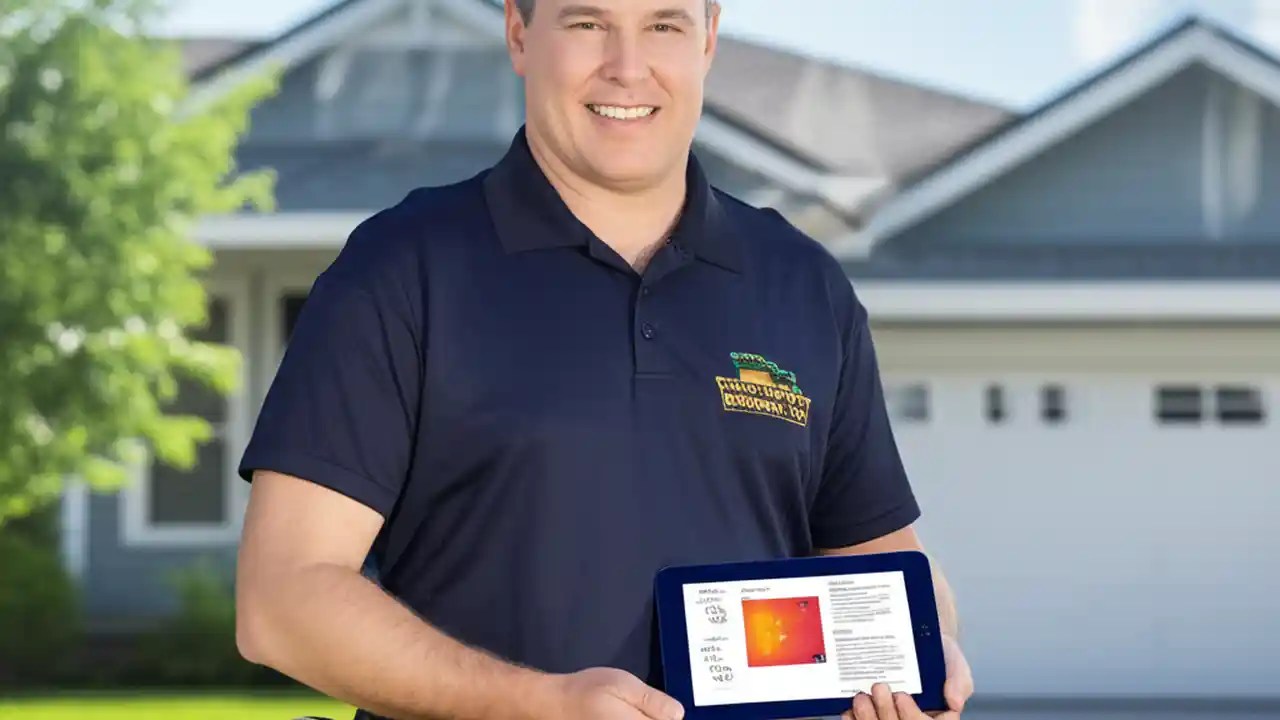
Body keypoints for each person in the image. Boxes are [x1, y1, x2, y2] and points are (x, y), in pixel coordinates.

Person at [233, 1, 975, 719]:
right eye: (589, 23)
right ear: (520, 34)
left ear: (708, 38)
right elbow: (283, 601)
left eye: (663, 24)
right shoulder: (404, 268)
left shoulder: (801, 283)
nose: (627, 68)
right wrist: (538, 706)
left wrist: (926, 659)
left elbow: (881, 561)